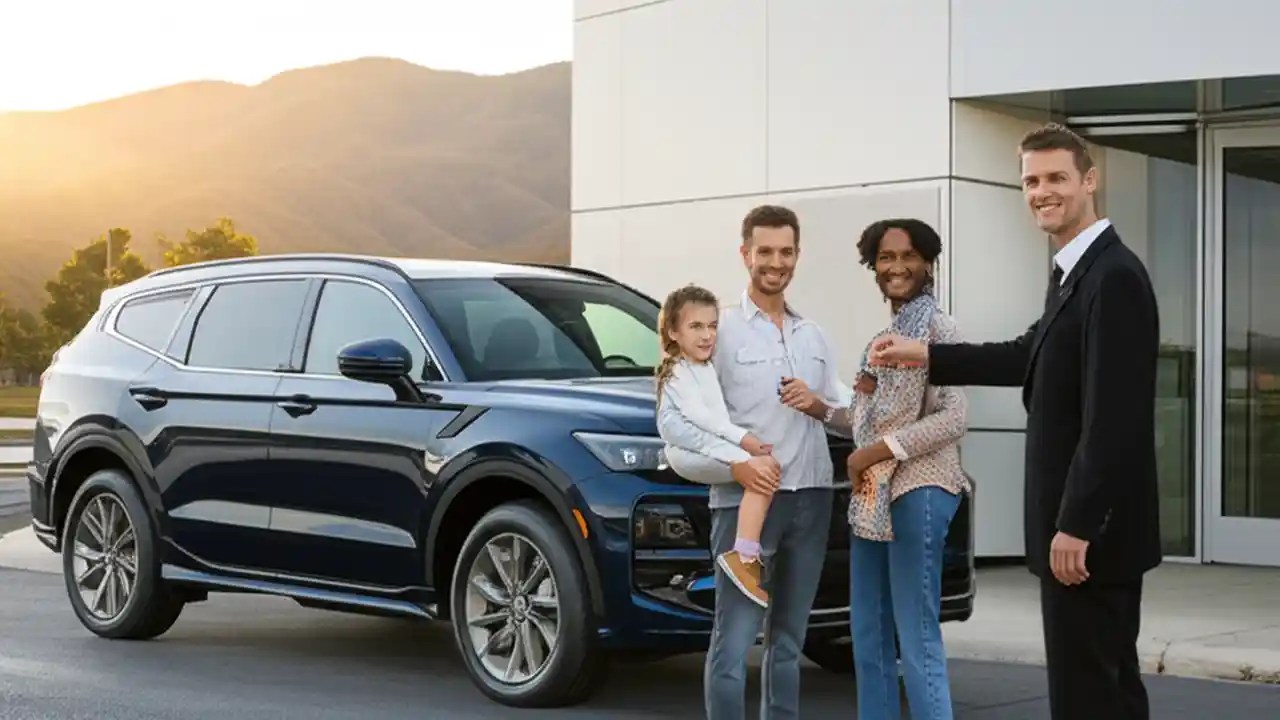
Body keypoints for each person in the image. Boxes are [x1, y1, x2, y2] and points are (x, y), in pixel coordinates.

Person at [870, 123, 1161, 720]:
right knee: (1097, 689)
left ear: (1089, 179)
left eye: (1056, 177)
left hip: (1090, 537)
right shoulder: (1073, 274)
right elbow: (1026, 354)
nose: (1040, 191)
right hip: (1080, 531)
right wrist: (925, 354)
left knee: (1093, 695)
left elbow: (1115, 419)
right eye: (1030, 180)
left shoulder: (1115, 277)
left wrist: (1076, 523)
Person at [655, 204, 850, 719]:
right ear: (745, 254)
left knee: (789, 641)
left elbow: (848, 416)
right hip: (744, 504)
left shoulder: (815, 337)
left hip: (812, 500)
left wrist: (822, 406)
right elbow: (679, 435)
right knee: (735, 640)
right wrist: (735, 468)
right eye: (765, 251)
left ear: (797, 256)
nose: (776, 261)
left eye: (786, 251)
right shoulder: (719, 335)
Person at [841, 218, 970, 720]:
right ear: (873, 266)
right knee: (868, 633)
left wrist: (877, 452)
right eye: (886, 257)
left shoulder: (940, 330)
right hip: (872, 497)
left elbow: (954, 417)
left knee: (915, 635)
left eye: (908, 256)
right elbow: (861, 422)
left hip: (922, 487)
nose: (897, 266)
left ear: (928, 263)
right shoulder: (881, 340)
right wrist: (817, 407)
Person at [655, 283, 781, 608]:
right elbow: (702, 422)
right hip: (687, 454)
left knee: (765, 469)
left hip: (708, 445)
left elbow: (716, 421)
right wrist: (743, 445)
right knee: (760, 470)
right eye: (696, 326)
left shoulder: (704, 368)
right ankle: (744, 556)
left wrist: (744, 448)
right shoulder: (678, 373)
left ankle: (746, 552)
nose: (707, 335)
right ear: (673, 331)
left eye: (712, 326)